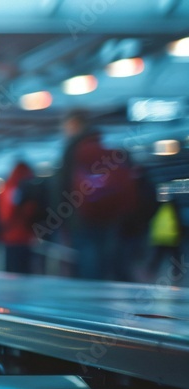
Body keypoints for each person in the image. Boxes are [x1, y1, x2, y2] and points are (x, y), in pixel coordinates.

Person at [57, 110, 137, 280]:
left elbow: (62, 185)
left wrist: (60, 215)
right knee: (105, 254)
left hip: (81, 214)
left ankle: (88, 296)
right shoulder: (104, 148)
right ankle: (105, 289)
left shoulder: (73, 149)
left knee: (87, 255)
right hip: (109, 212)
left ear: (75, 125)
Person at [0, 162, 40, 273]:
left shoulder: (6, 189)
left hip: (10, 237)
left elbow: (4, 215)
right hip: (22, 238)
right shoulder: (22, 189)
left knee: (12, 271)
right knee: (22, 271)